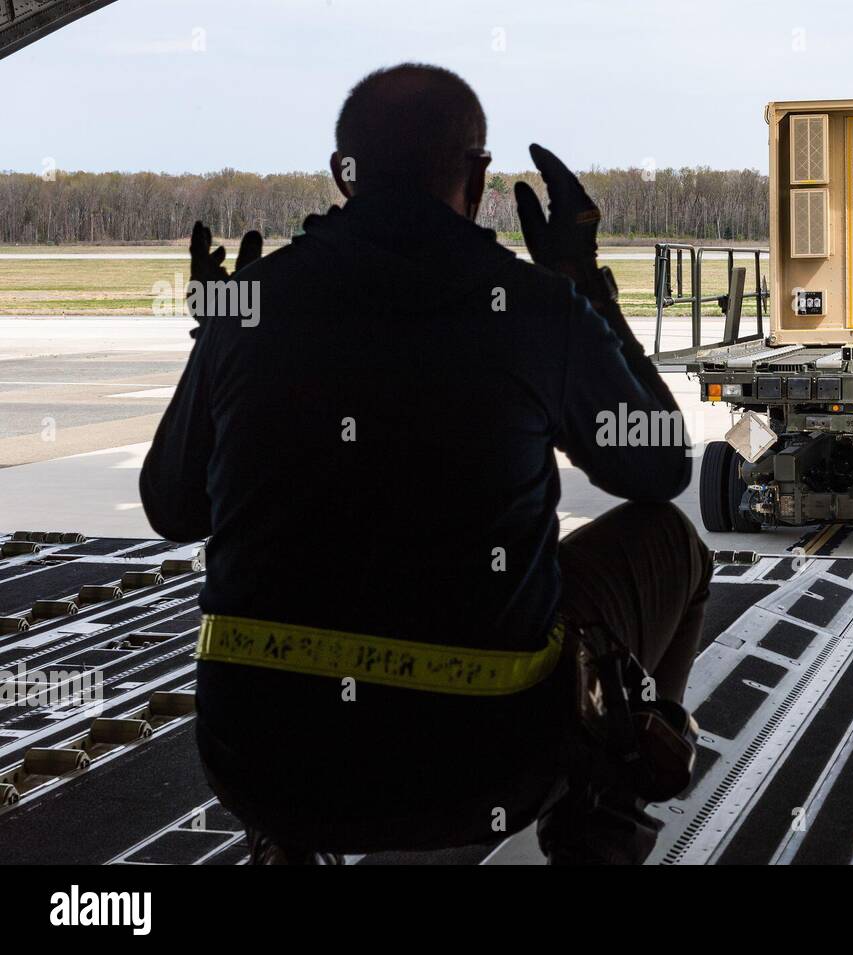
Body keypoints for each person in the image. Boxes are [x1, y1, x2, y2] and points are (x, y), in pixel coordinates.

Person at [140, 63, 710, 864]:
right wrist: (585, 288)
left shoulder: (256, 303)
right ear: (477, 178)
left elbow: (171, 508)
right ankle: (597, 824)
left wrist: (216, 342)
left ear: (344, 176)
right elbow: (660, 470)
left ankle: (288, 843)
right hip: (487, 768)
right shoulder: (533, 309)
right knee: (674, 542)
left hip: (261, 765)